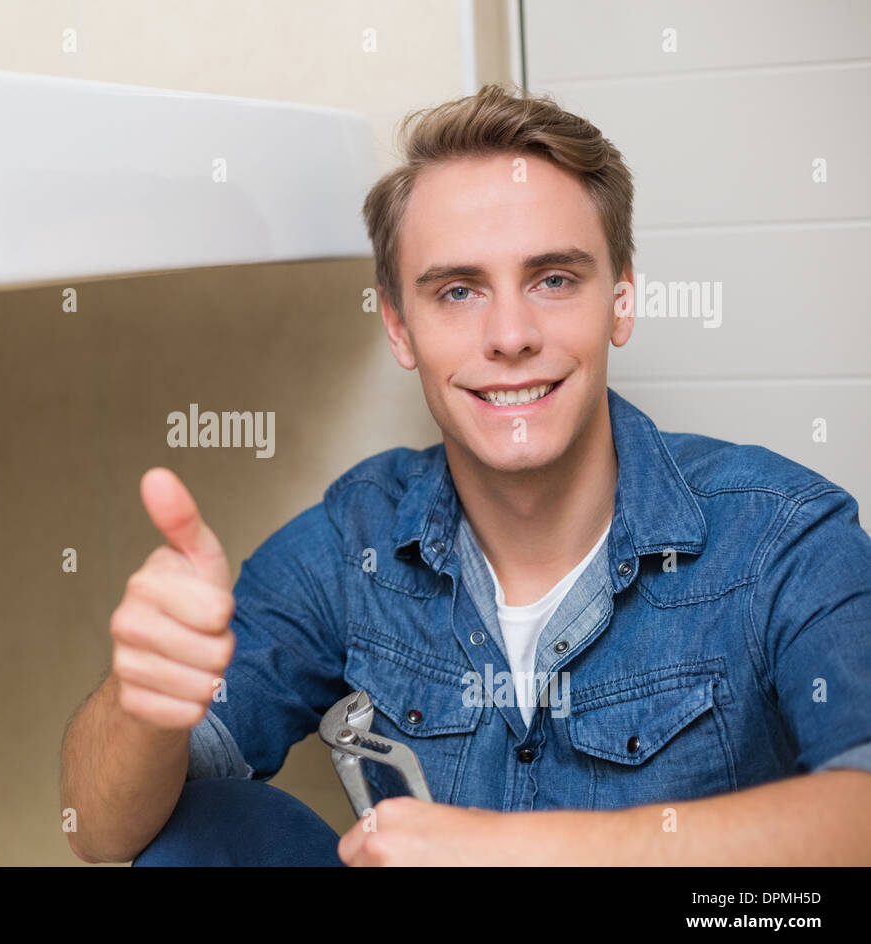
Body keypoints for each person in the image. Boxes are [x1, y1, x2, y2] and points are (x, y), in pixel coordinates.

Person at [59, 84, 871, 866]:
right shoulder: (355, 540)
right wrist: (143, 700)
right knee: (202, 828)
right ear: (400, 326)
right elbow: (96, 832)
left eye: (553, 279)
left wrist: (510, 851)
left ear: (621, 300)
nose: (511, 334)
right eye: (457, 291)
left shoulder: (781, 534)